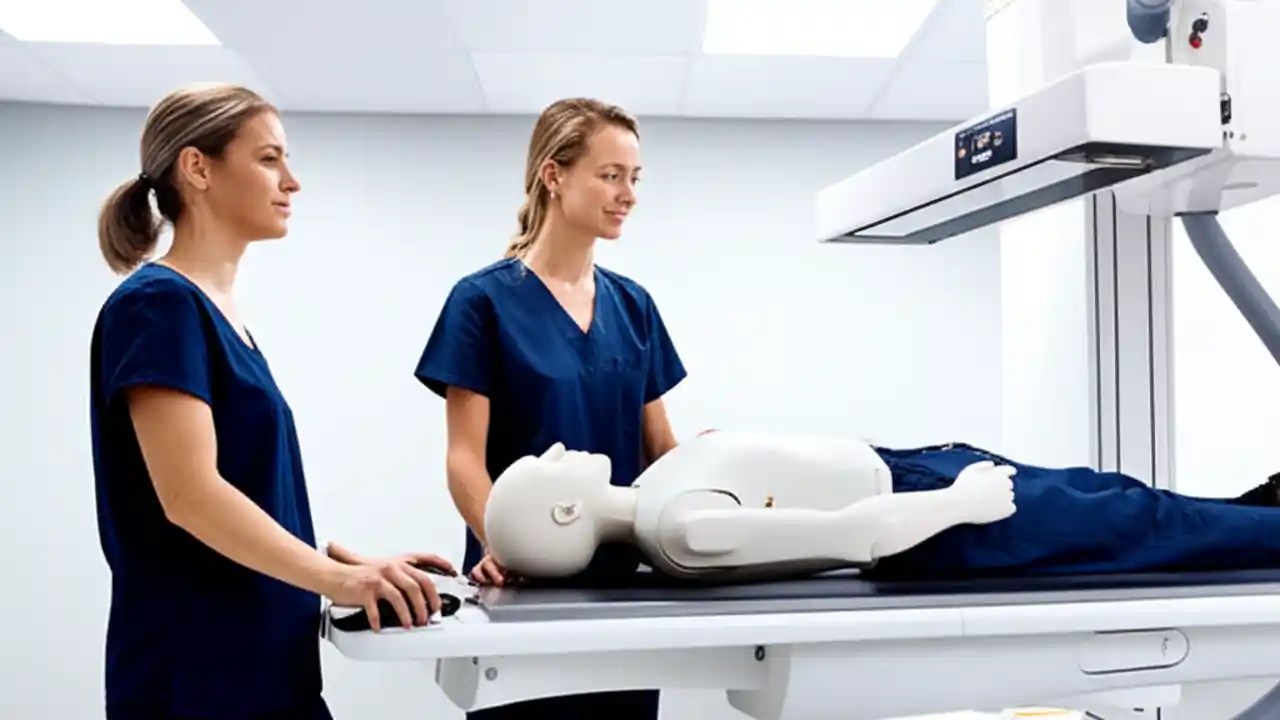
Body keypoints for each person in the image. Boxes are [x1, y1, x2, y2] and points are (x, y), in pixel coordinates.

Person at [90, 83, 455, 720]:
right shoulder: (158, 306)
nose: (292, 181)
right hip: (200, 674)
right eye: (268, 159)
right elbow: (191, 496)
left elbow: (249, 487)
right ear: (197, 168)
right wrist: (341, 582)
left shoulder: (220, 317)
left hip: (263, 660)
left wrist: (348, 561)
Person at [414, 97, 686, 719]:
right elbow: (463, 458)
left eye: (634, 178)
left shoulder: (633, 305)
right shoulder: (480, 302)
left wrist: (712, 482)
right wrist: (506, 545)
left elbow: (660, 450)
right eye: (610, 175)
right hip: (518, 588)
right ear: (554, 175)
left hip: (621, 588)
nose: (628, 194)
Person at [478, 431, 1280, 584]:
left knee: (1120, 499)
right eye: (544, 472)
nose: (554, 452)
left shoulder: (657, 491)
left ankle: (1262, 512)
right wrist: (960, 504)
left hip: (915, 469)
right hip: (933, 517)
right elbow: (851, 536)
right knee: (1142, 527)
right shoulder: (684, 525)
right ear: (561, 516)